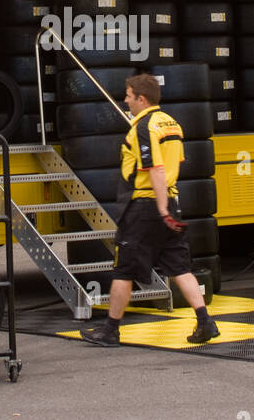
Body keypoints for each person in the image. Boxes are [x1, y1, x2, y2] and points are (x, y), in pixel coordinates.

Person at [80, 73, 219, 347]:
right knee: (180, 267)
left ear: (141, 99)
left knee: (123, 270)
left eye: (129, 96)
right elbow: (174, 164)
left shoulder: (143, 127)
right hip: (170, 201)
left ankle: (110, 330)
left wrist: (162, 209)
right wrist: (168, 208)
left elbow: (154, 168)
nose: (125, 100)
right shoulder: (173, 124)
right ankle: (205, 322)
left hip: (146, 207)